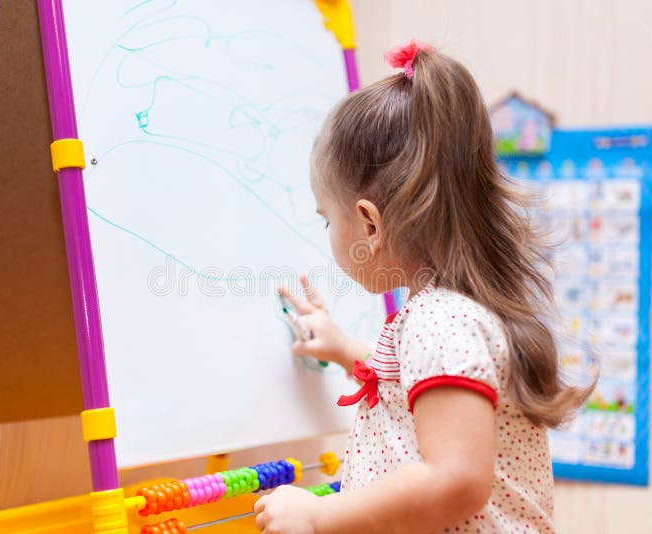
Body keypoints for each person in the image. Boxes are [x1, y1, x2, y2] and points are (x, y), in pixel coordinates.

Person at [253, 39, 590, 533]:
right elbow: (414, 388)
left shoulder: (441, 320)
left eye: (328, 220)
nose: (329, 235)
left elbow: (455, 479)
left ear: (369, 225)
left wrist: (321, 514)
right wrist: (347, 350)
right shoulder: (448, 313)